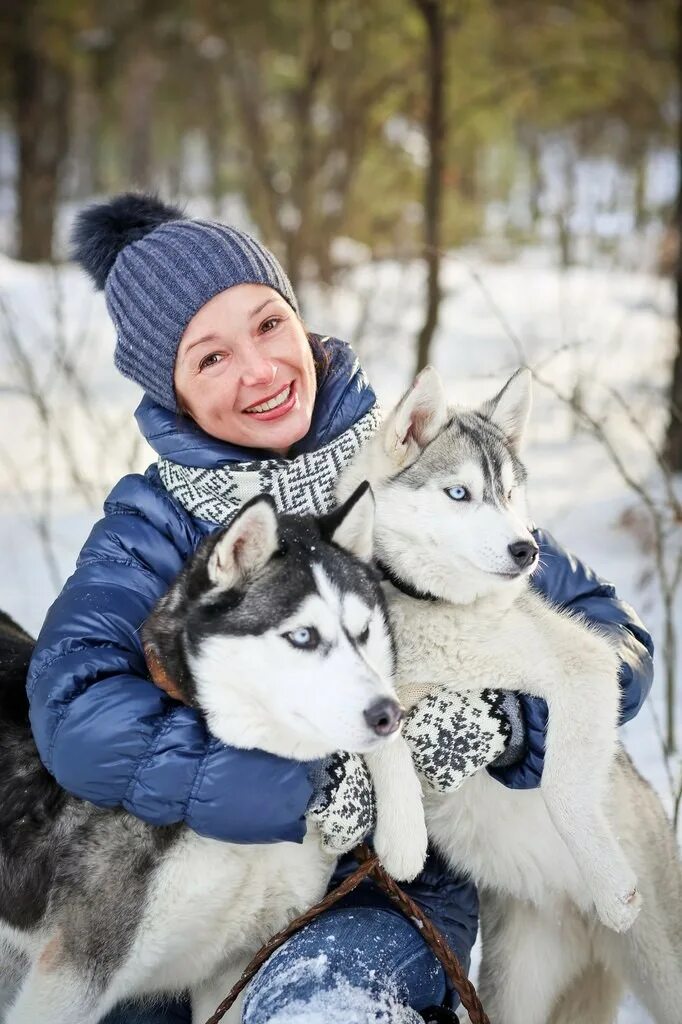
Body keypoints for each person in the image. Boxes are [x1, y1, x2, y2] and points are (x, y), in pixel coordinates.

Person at [26, 194, 654, 1024]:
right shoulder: (153, 523)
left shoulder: (417, 461)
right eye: (209, 359)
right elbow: (77, 711)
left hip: (384, 892)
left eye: (267, 325)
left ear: (300, 322)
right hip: (200, 883)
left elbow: (613, 640)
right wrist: (301, 786)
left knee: (323, 1008)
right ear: (170, 391)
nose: (259, 370)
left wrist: (497, 722)